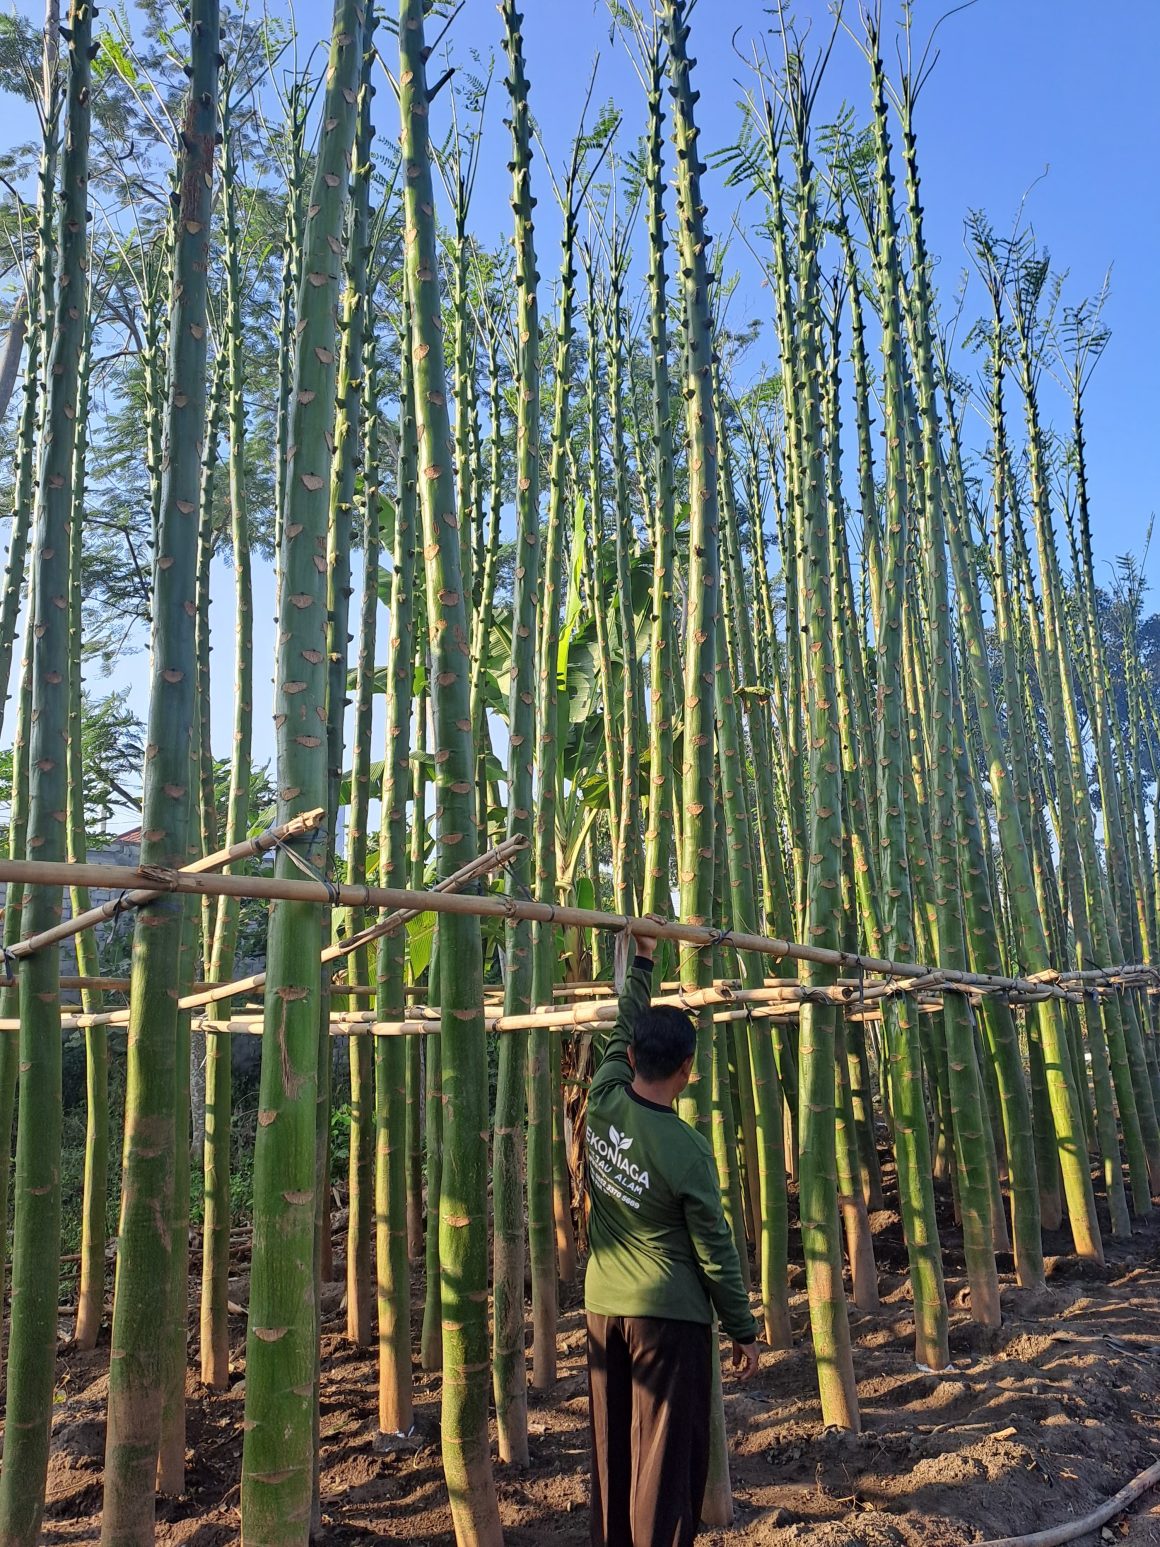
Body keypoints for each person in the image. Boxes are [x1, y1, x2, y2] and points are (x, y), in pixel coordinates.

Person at [584, 916, 760, 1547]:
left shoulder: (602, 1100)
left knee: (612, 1451)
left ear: (632, 1058)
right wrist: (742, 1329)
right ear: (687, 1069)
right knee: (663, 1460)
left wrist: (642, 962)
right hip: (669, 1320)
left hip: (603, 1310)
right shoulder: (687, 1149)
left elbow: (621, 1026)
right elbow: (715, 1252)